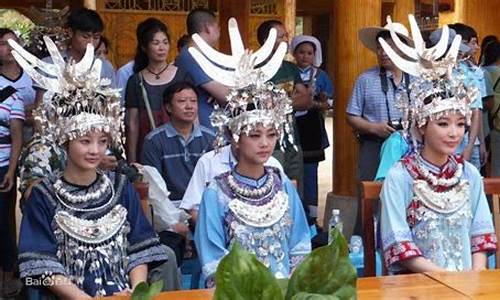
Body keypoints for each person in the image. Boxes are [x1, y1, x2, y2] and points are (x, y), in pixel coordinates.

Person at [10, 37, 171, 298]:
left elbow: (139, 246)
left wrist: (137, 291)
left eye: (102, 141)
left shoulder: (120, 188)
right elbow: (41, 262)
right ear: (65, 141)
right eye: (85, 141)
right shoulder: (45, 195)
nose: (95, 150)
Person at [378, 16, 497, 274]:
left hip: (467, 286)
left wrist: (473, 278)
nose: (454, 133)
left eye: (460, 124)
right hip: (419, 286)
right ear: (421, 125)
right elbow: (399, 245)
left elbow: (481, 237)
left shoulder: (469, 174)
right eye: (443, 124)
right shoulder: (400, 177)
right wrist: (446, 279)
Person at [193, 54, 311, 285]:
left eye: (272, 135)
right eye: (255, 135)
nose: (265, 143)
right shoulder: (216, 192)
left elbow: (299, 245)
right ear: (235, 138)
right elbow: (213, 260)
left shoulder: (283, 185)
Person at [346, 21, 412, 234]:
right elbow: (351, 115)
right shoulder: (366, 79)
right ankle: (363, 244)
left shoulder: (418, 79)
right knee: (369, 195)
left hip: (408, 147)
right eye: (380, 47)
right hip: (374, 145)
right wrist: (374, 128)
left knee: (407, 196)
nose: (383, 53)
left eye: (390, 47)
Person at [125, 18, 191, 163]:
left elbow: (192, 114)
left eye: (165, 42)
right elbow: (132, 123)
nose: (162, 48)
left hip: (178, 148)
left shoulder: (182, 75)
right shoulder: (136, 81)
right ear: (144, 47)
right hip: (148, 148)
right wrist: (132, 160)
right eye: (156, 43)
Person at [141, 81, 215, 208]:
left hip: (202, 204)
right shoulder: (154, 140)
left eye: (193, 101)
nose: (189, 106)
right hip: (169, 207)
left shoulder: (210, 138)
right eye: (182, 101)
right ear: (168, 107)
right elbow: (154, 187)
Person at [291, 34, 333, 222]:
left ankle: (313, 217)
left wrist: (317, 103)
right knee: (292, 171)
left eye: (309, 53)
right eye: (301, 52)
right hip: (292, 127)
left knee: (310, 172)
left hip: (312, 129)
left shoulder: (321, 75)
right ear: (294, 53)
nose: (305, 56)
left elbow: (329, 101)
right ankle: (295, 213)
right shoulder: (289, 72)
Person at [34, 8, 116, 105]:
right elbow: (40, 107)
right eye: (85, 36)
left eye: (96, 37)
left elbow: (112, 105)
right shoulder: (50, 64)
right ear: (70, 32)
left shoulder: (105, 67)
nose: (91, 43)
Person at [175, 8, 229, 130]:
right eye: (217, 27)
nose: (219, 31)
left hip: (219, 125)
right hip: (204, 128)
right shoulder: (190, 56)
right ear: (207, 28)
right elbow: (226, 95)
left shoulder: (211, 55)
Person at [448, 23, 490, 170]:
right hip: (448, 142)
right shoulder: (431, 75)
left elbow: (476, 110)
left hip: (468, 140)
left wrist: (476, 144)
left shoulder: (469, 74)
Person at [0, 86, 24, 298]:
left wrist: (10, 170)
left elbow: (17, 137)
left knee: (3, 224)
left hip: (2, 168)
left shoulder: (12, 96)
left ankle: (7, 277)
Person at [0, 28, 36, 142]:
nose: (10, 48)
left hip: (35, 139)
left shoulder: (33, 75)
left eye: (13, 43)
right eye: (3, 44)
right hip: (6, 143)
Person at [481, 41, 500, 176]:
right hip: (496, 122)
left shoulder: (480, 71)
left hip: (488, 123)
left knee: (493, 164)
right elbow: (490, 102)